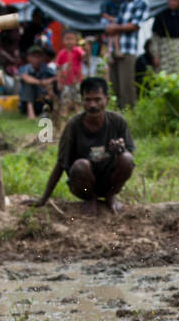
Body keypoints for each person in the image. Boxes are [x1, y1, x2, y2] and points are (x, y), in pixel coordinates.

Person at [31, 76, 135, 216]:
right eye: (88, 100)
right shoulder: (73, 126)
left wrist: (119, 150)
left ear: (107, 100)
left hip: (109, 182)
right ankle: (90, 198)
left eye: (97, 99)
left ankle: (111, 196)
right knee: (81, 165)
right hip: (83, 186)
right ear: (82, 101)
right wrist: (43, 198)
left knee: (127, 159)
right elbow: (61, 164)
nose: (93, 105)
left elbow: (129, 158)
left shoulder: (117, 122)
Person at [107, 0, 149, 109]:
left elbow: (135, 26)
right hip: (115, 48)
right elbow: (118, 22)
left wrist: (115, 28)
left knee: (127, 86)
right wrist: (116, 28)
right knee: (115, 85)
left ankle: (130, 115)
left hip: (129, 49)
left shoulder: (142, 2)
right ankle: (118, 115)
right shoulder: (123, 3)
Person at [150, 0, 179, 74]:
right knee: (163, 74)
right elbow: (155, 38)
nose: (172, 2)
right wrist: (155, 55)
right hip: (164, 50)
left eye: (175, 0)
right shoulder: (161, 16)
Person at [17, 44, 57, 117]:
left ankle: (55, 109)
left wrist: (48, 82)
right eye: (34, 57)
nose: (37, 59)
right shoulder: (25, 68)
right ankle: (31, 113)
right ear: (28, 58)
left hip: (42, 100)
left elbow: (56, 77)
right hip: (27, 103)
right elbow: (25, 77)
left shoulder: (45, 68)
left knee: (52, 86)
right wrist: (41, 82)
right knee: (28, 85)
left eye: (39, 56)